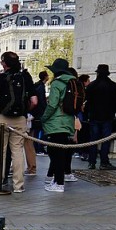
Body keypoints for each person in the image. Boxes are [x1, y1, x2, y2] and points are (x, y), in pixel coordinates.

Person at [0, 51, 36, 193]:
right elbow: (34, 101)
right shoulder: (26, 77)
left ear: (4, 63)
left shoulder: (1, 77)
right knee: (18, 152)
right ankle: (18, 185)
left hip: (1, 118)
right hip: (20, 119)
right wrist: (25, 111)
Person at [42, 59, 77, 193]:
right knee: (60, 153)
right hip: (68, 121)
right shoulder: (73, 82)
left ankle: (59, 183)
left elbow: (52, 104)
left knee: (57, 154)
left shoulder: (57, 83)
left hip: (56, 122)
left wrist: (44, 118)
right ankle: (57, 180)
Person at [84, 64, 116, 170]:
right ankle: (104, 162)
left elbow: (87, 101)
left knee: (93, 140)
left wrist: (88, 113)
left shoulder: (91, 86)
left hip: (94, 116)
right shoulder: (114, 86)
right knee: (106, 140)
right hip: (107, 116)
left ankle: (91, 162)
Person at [31, 71, 49, 156]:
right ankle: (40, 148)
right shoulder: (41, 87)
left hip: (36, 112)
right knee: (43, 130)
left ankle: (36, 147)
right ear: (45, 77)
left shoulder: (37, 85)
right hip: (40, 112)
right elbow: (41, 100)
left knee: (36, 131)